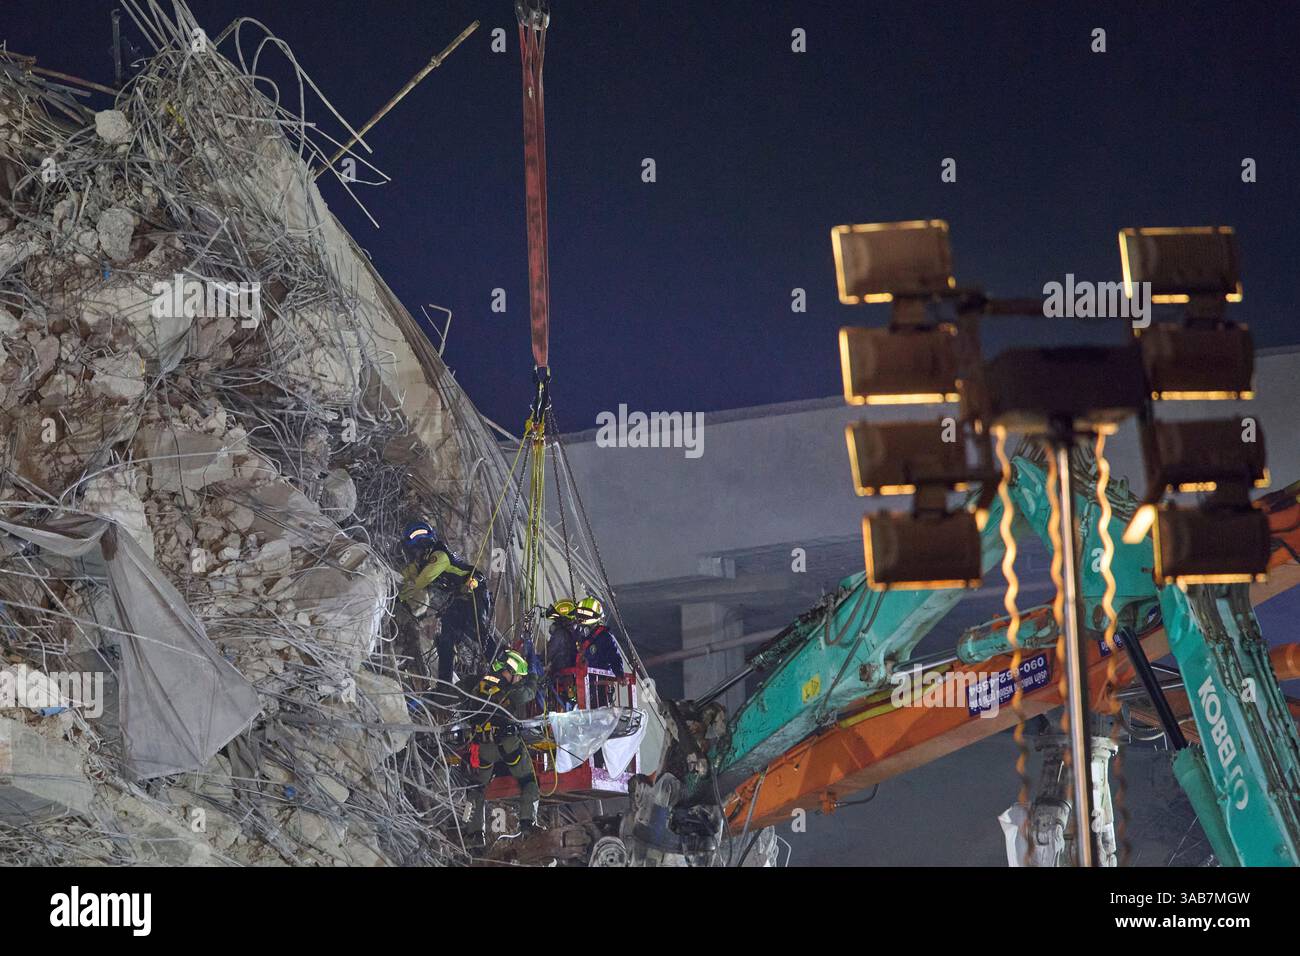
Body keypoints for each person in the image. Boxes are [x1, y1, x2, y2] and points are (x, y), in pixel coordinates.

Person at [458, 649, 543, 843]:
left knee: (478, 788)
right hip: (508, 744)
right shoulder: (510, 689)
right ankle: (527, 824)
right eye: (518, 676)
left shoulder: (479, 683)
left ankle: (474, 834)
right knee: (528, 781)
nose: (519, 680)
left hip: (483, 748)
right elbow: (528, 694)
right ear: (510, 671)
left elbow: (462, 698)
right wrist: (533, 676)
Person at [396, 520, 486, 684]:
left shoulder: (438, 556)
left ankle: (499, 661)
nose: (414, 554)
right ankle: (444, 686)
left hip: (473, 593)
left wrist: (397, 598)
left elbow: (421, 581)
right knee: (445, 639)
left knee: (478, 629)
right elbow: (406, 574)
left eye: (416, 550)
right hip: (457, 599)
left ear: (422, 545)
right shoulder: (423, 560)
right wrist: (393, 582)